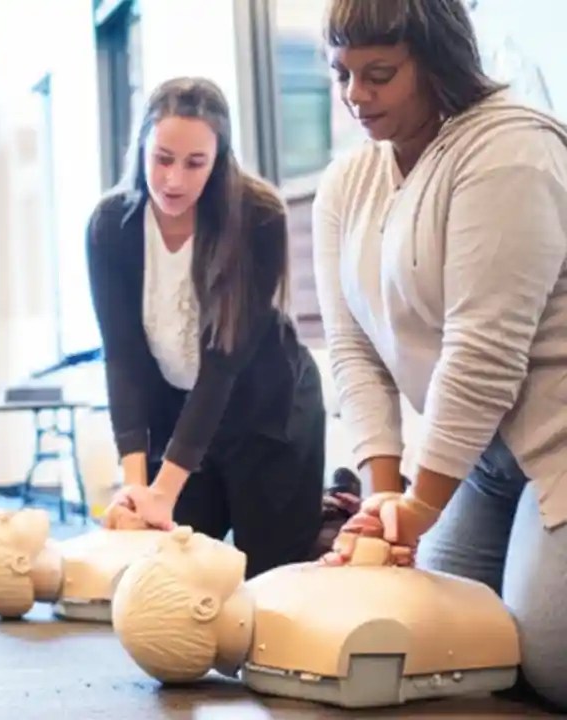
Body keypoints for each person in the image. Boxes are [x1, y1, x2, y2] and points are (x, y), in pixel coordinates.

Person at [312, 0, 567, 711]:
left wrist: (421, 505)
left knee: (551, 662)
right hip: (482, 460)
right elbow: (354, 353)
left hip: (556, 440)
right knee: (435, 641)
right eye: (341, 74)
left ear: (436, 61)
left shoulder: (511, 149)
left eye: (379, 74)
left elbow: (483, 352)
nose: (355, 96)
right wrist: (385, 504)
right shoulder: (346, 185)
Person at [88, 77, 328, 580]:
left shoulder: (257, 216)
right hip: (180, 419)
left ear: (218, 159)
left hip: (268, 413)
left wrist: (164, 493)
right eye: (162, 158)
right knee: (174, 577)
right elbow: (123, 357)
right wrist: (138, 490)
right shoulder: (111, 225)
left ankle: (332, 510)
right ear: (142, 147)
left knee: (269, 580)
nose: (174, 179)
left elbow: (223, 364)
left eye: (195, 163)